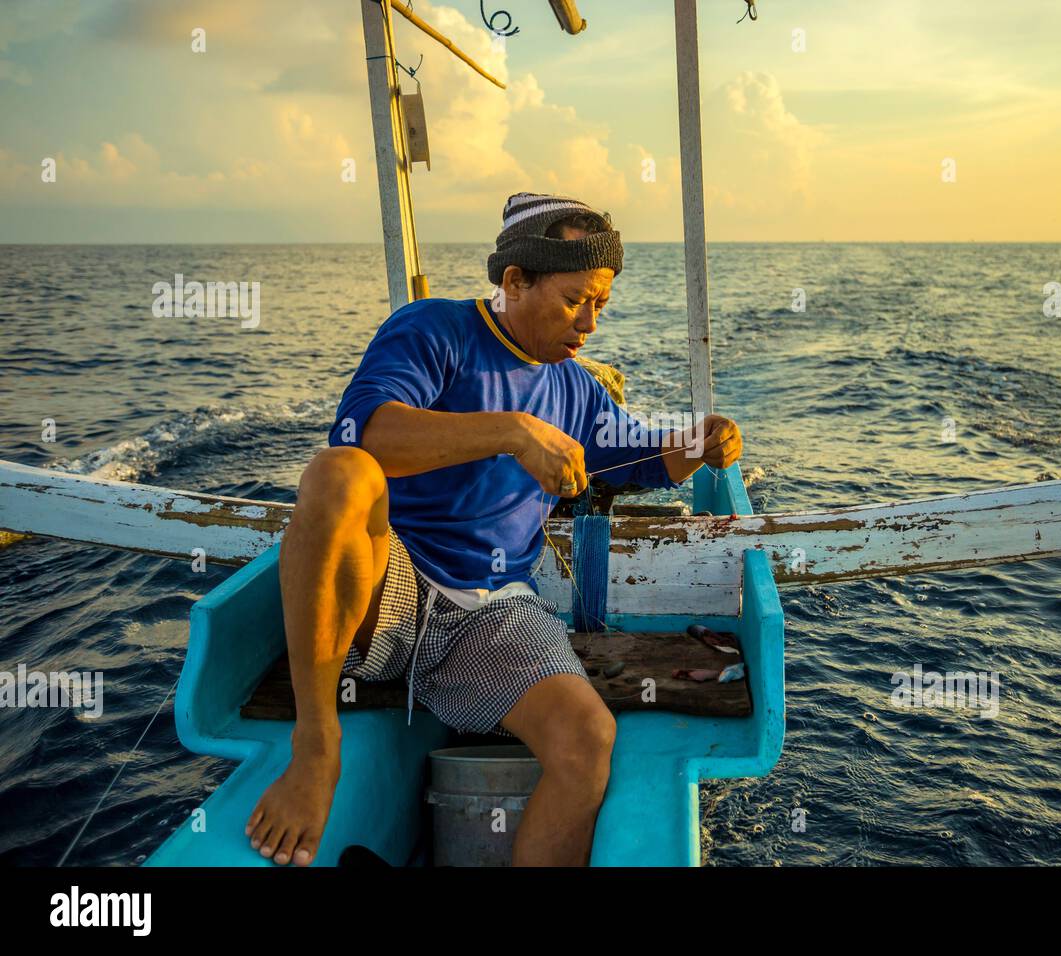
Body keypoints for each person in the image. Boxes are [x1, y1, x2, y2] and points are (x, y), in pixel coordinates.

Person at [244, 191, 743, 866]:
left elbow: (638, 456)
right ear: (514, 282)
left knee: (586, 738)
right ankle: (318, 746)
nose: (590, 323)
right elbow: (364, 433)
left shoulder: (576, 388)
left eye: (601, 304)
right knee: (338, 475)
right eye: (574, 300)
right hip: (388, 586)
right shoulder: (431, 331)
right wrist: (511, 432)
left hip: (493, 614)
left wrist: (701, 440)